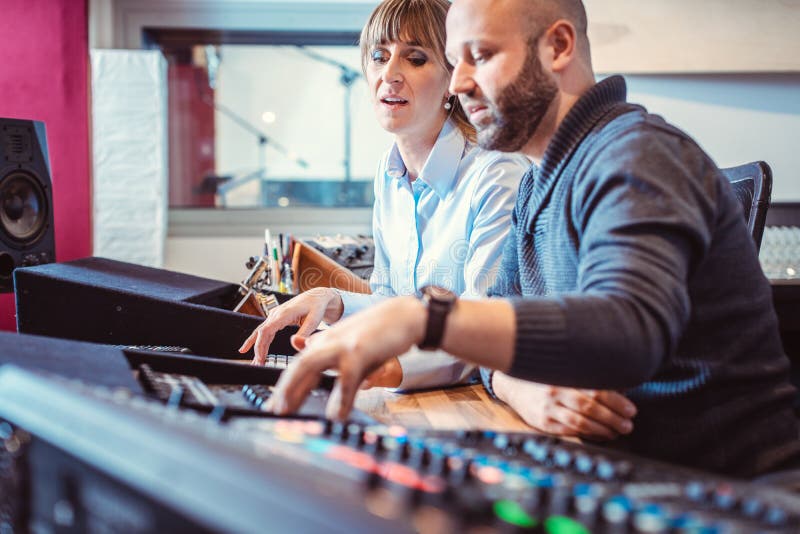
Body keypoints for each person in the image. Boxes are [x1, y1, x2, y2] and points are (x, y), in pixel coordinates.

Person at [266, 0, 800, 477]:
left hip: (728, 491)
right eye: (457, 59)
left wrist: (423, 318)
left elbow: (628, 328)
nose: (458, 83)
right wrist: (524, 387)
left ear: (558, 47)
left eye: (480, 55)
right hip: (619, 474)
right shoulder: (540, 181)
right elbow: (494, 346)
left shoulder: (637, 156)